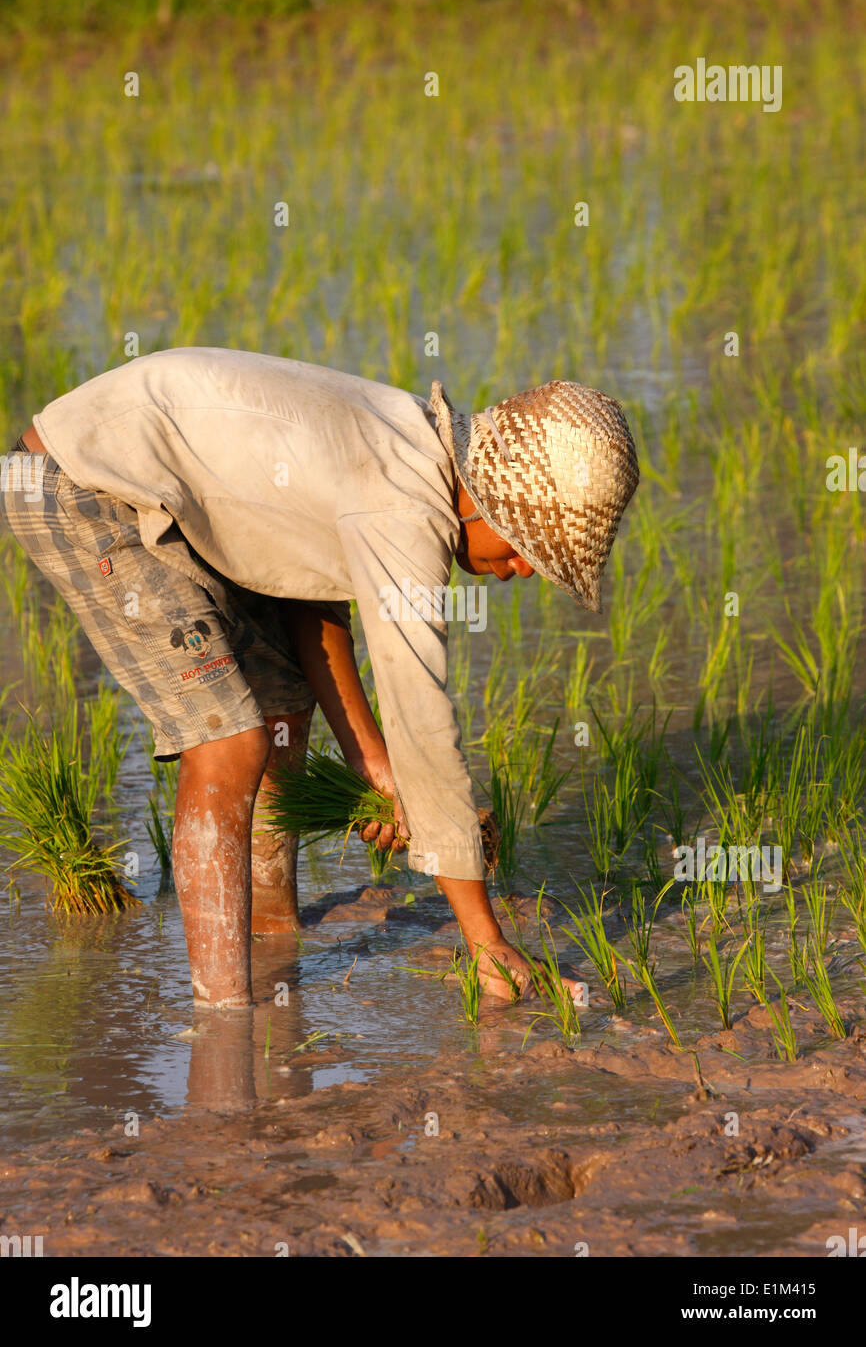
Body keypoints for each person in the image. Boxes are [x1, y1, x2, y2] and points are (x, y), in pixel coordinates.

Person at [1, 347, 639, 1008]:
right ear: (492, 507)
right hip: (79, 481)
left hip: (158, 484)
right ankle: (223, 1018)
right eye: (529, 547)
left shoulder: (411, 447)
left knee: (281, 714)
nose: (527, 570)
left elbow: (310, 595)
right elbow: (418, 713)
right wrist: (484, 937)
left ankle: (274, 939)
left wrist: (372, 765)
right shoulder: (405, 510)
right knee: (231, 741)